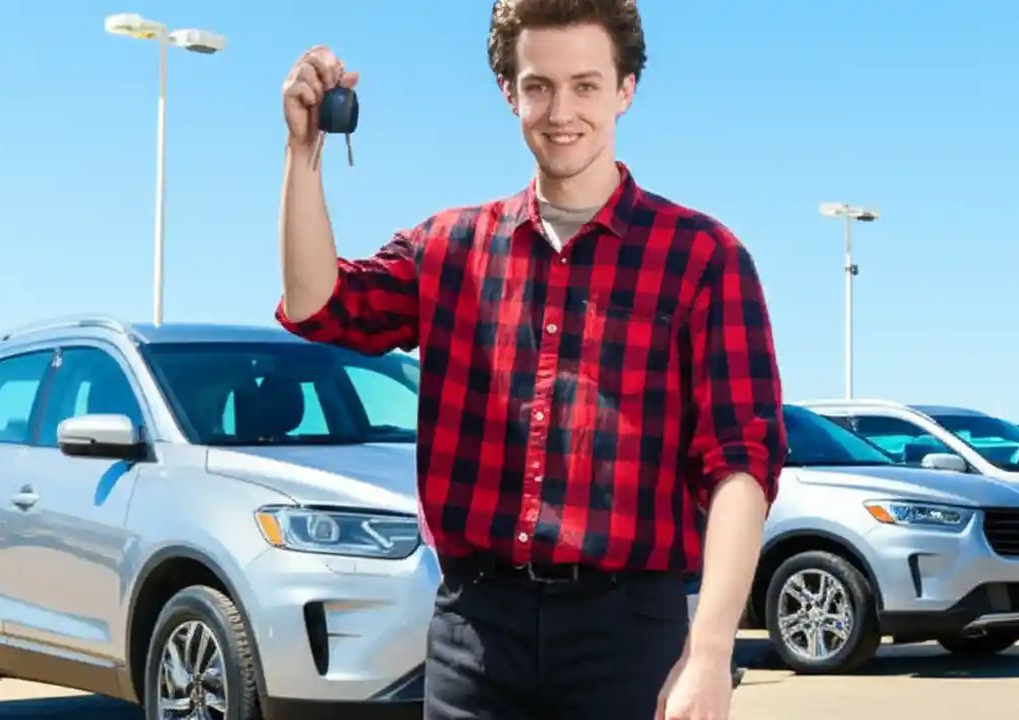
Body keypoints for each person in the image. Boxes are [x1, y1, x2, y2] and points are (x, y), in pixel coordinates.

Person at [274, 1, 786, 718]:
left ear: (626, 89)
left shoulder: (704, 258)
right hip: (475, 631)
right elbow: (317, 304)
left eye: (586, 85)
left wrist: (709, 651)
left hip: (629, 635)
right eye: (539, 86)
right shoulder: (450, 248)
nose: (561, 111)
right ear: (508, 92)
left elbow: (741, 464)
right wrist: (304, 156)